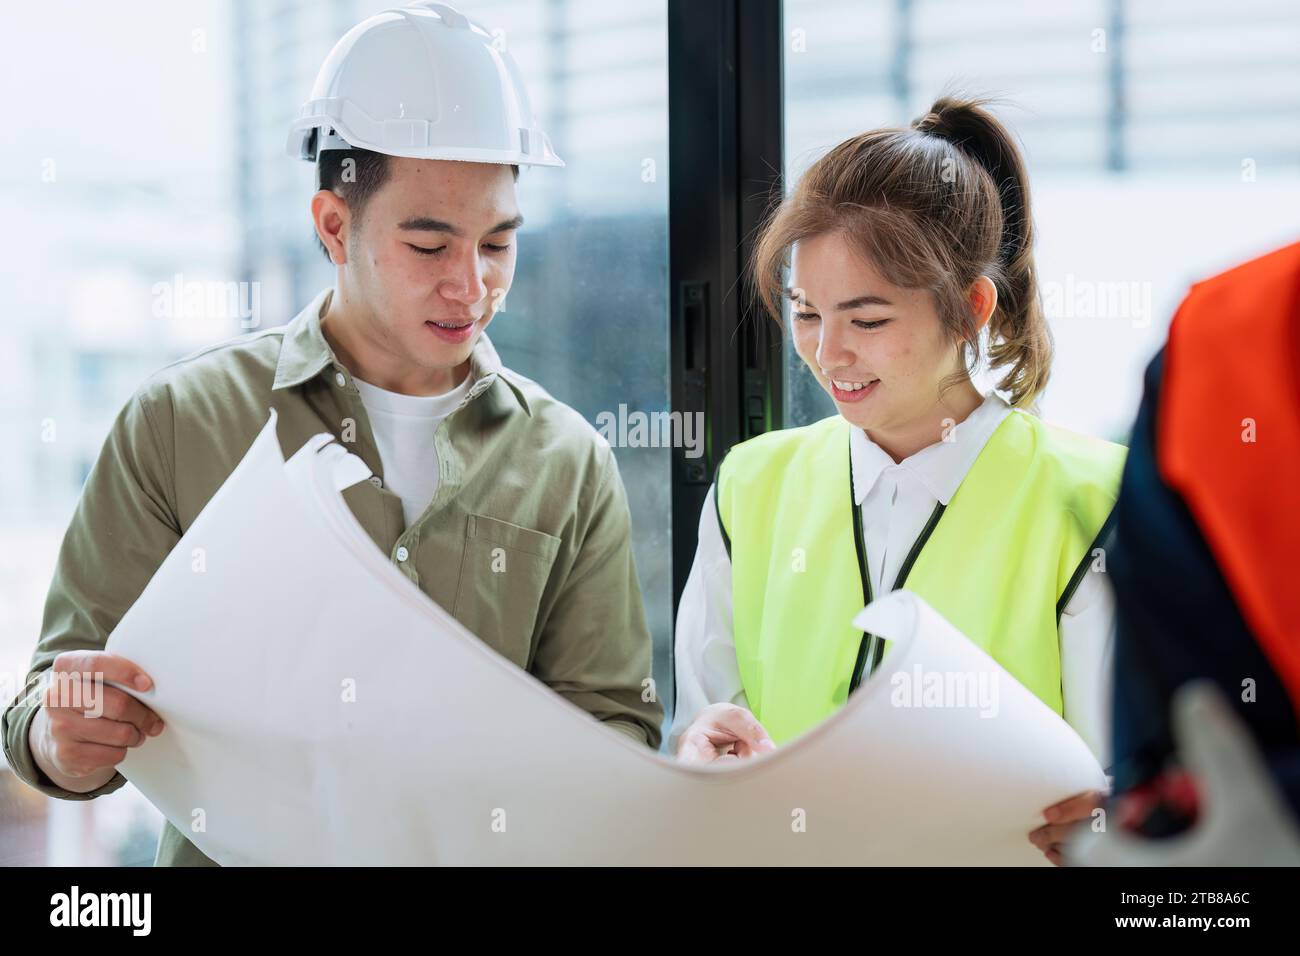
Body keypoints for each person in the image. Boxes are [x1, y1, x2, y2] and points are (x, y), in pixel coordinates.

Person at [0, 2, 661, 867]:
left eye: (498, 244)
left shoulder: (569, 461)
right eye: (430, 246)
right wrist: (62, 740)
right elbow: (49, 706)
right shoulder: (180, 423)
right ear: (333, 226)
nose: (472, 286)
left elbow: (615, 728)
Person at [670, 96, 1125, 865]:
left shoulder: (1092, 501)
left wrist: (1115, 820)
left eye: (868, 319)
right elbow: (704, 726)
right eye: (807, 312)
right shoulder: (753, 486)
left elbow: (1127, 787)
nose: (828, 353)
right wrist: (700, 758)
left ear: (970, 309)